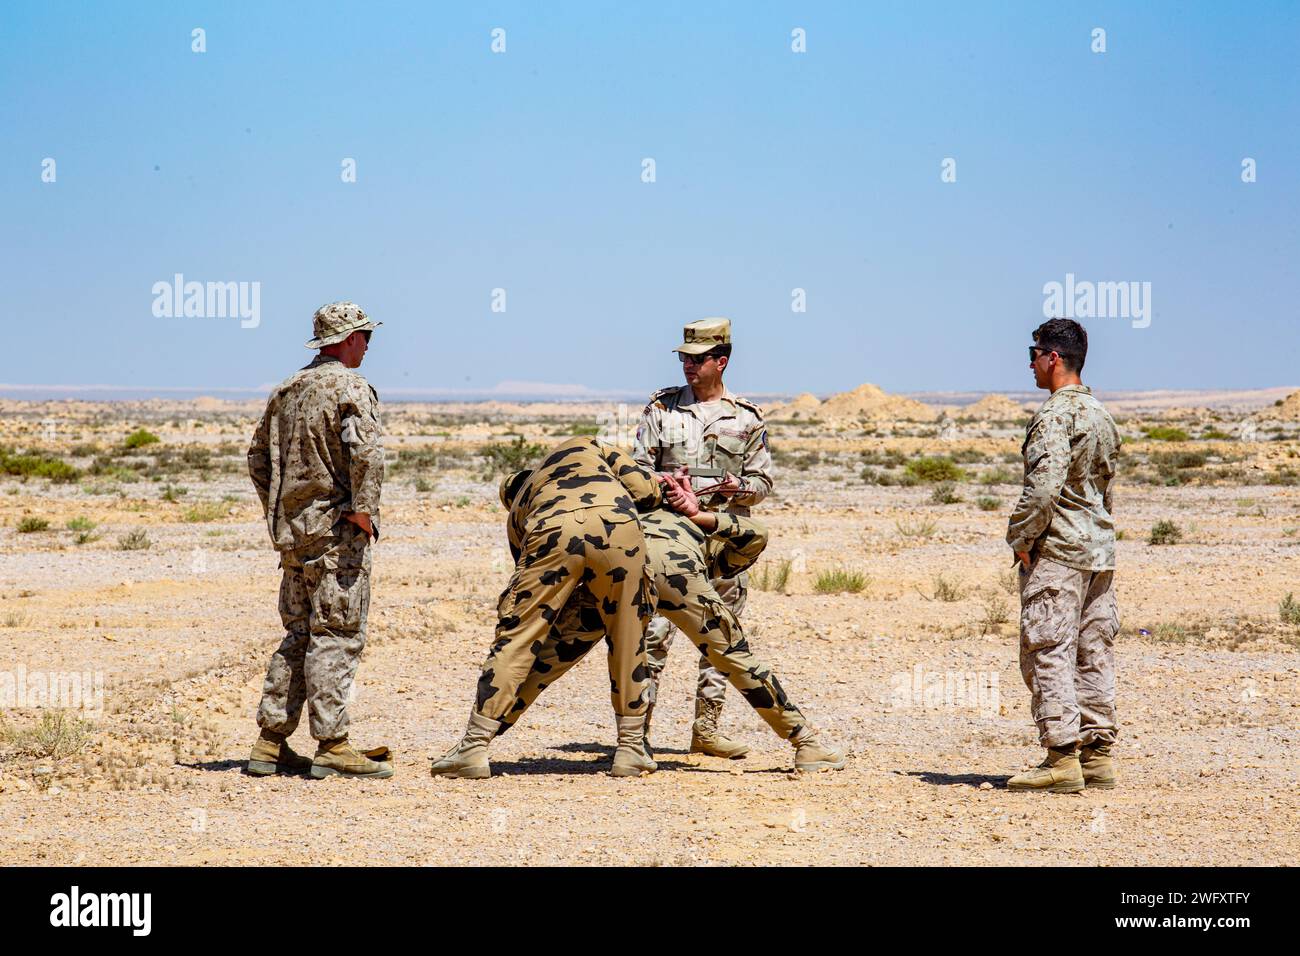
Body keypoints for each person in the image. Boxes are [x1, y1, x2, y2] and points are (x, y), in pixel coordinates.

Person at [497, 471, 846, 773]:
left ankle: (478, 742)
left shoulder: (619, 502)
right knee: (736, 660)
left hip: (614, 568)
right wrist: (702, 517)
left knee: (548, 663)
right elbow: (757, 534)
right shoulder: (691, 528)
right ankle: (806, 744)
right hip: (674, 568)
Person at [429, 437, 662, 779]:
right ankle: (630, 750)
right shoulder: (586, 444)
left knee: (518, 638)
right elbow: (647, 493)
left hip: (552, 529)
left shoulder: (520, 509)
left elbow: (532, 601)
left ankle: (473, 748)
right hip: (619, 525)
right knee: (628, 636)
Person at [245, 301, 392, 780]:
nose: (369, 345)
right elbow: (366, 453)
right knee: (337, 635)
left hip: (293, 538)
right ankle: (332, 743)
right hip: (335, 535)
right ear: (348, 338)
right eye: (365, 336)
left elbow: (257, 459)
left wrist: (284, 508)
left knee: (299, 634)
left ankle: (271, 742)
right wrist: (363, 511)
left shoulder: (287, 389)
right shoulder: (350, 388)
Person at [632, 317, 774, 758]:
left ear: (721, 362)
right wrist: (663, 484)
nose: (688, 367)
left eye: (697, 360)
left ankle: (706, 731)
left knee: (720, 636)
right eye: (684, 359)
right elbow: (635, 471)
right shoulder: (662, 409)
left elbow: (764, 483)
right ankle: (637, 735)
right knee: (652, 634)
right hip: (670, 540)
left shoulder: (746, 417)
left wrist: (738, 489)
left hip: (724, 543)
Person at [1006, 318, 1120, 793]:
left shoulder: (1055, 415)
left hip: (1058, 550)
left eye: (1034, 354)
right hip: (1098, 552)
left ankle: (1060, 758)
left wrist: (1020, 536)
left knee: (1048, 649)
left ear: (1053, 358)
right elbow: (1104, 488)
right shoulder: (1101, 414)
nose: (1030, 364)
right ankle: (1097, 756)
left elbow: (1044, 486)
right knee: (1092, 652)